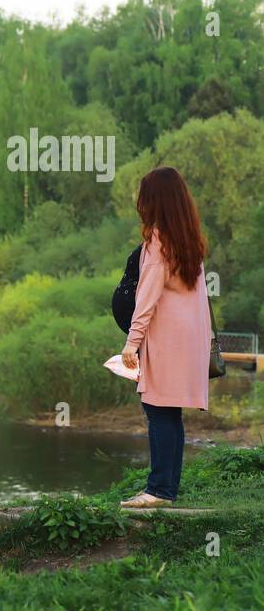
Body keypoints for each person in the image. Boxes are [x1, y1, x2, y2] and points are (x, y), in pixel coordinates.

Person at [120, 166, 211, 508]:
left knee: (157, 407)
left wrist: (132, 341)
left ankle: (158, 490)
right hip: (191, 338)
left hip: (167, 338)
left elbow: (147, 296)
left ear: (154, 200)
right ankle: (167, 489)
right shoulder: (190, 241)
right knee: (170, 411)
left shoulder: (158, 240)